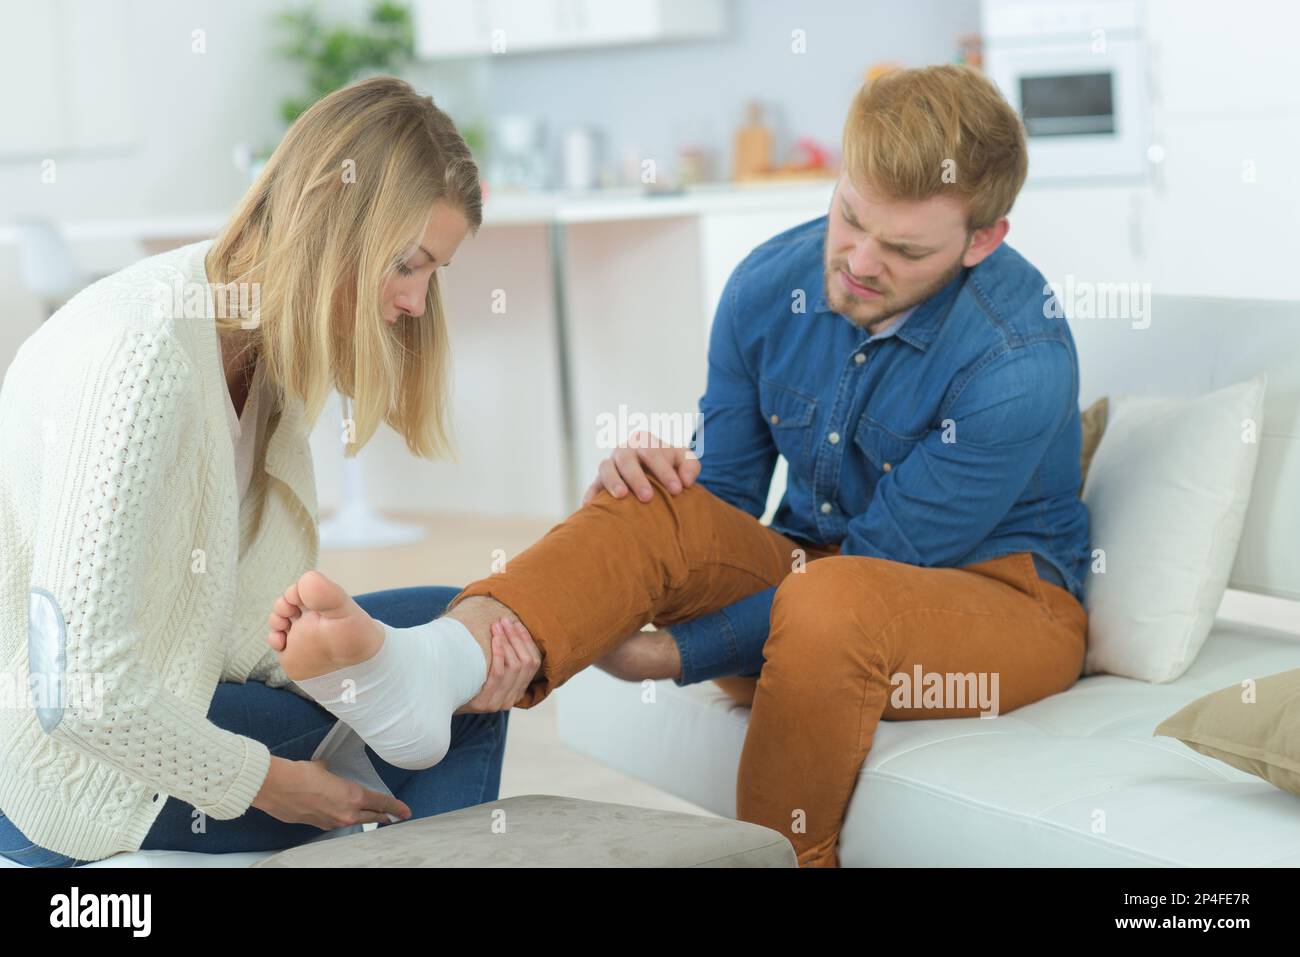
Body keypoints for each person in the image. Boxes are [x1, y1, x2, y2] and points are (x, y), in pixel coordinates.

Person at [264, 64, 1093, 868]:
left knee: (834, 598)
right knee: (658, 497)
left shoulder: (1020, 359)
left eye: (904, 249)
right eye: (850, 218)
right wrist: (653, 515)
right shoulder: (770, 286)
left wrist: (662, 652)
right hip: (814, 585)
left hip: (1000, 604)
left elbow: (879, 564)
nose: (860, 262)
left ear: (983, 239)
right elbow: (724, 503)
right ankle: (431, 670)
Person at [0, 75, 540, 868]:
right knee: (459, 695)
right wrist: (268, 781)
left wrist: (343, 661)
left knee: (459, 623)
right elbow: (80, 692)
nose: (418, 303)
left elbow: (224, 606)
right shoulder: (139, 355)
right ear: (330, 211)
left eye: (435, 274)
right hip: (73, 769)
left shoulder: (260, 335)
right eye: (406, 264)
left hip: (187, 679)